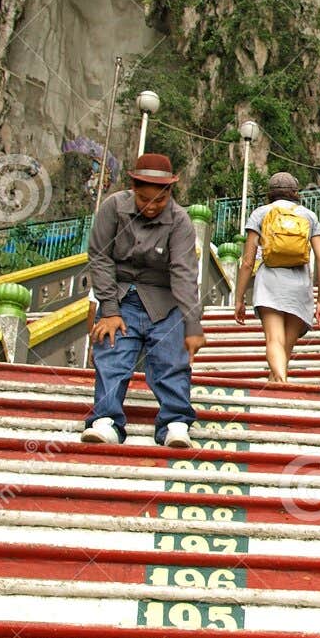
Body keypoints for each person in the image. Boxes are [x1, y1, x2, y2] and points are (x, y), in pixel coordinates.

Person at [82, 154, 204, 447]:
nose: (151, 208)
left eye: (159, 201)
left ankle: (175, 422)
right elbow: (99, 257)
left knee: (171, 361)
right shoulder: (113, 207)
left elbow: (184, 274)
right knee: (112, 355)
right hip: (120, 296)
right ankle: (106, 420)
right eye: (144, 200)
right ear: (133, 188)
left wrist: (192, 325)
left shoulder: (180, 221)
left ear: (170, 193)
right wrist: (109, 310)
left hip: (163, 301)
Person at [234, 170, 320, 383]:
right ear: (295, 192)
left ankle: (281, 383)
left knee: (274, 341)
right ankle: (277, 385)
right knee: (285, 346)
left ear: (270, 193)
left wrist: (239, 298)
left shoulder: (260, 214)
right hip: (299, 287)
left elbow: (248, 262)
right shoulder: (309, 215)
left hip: (269, 285)